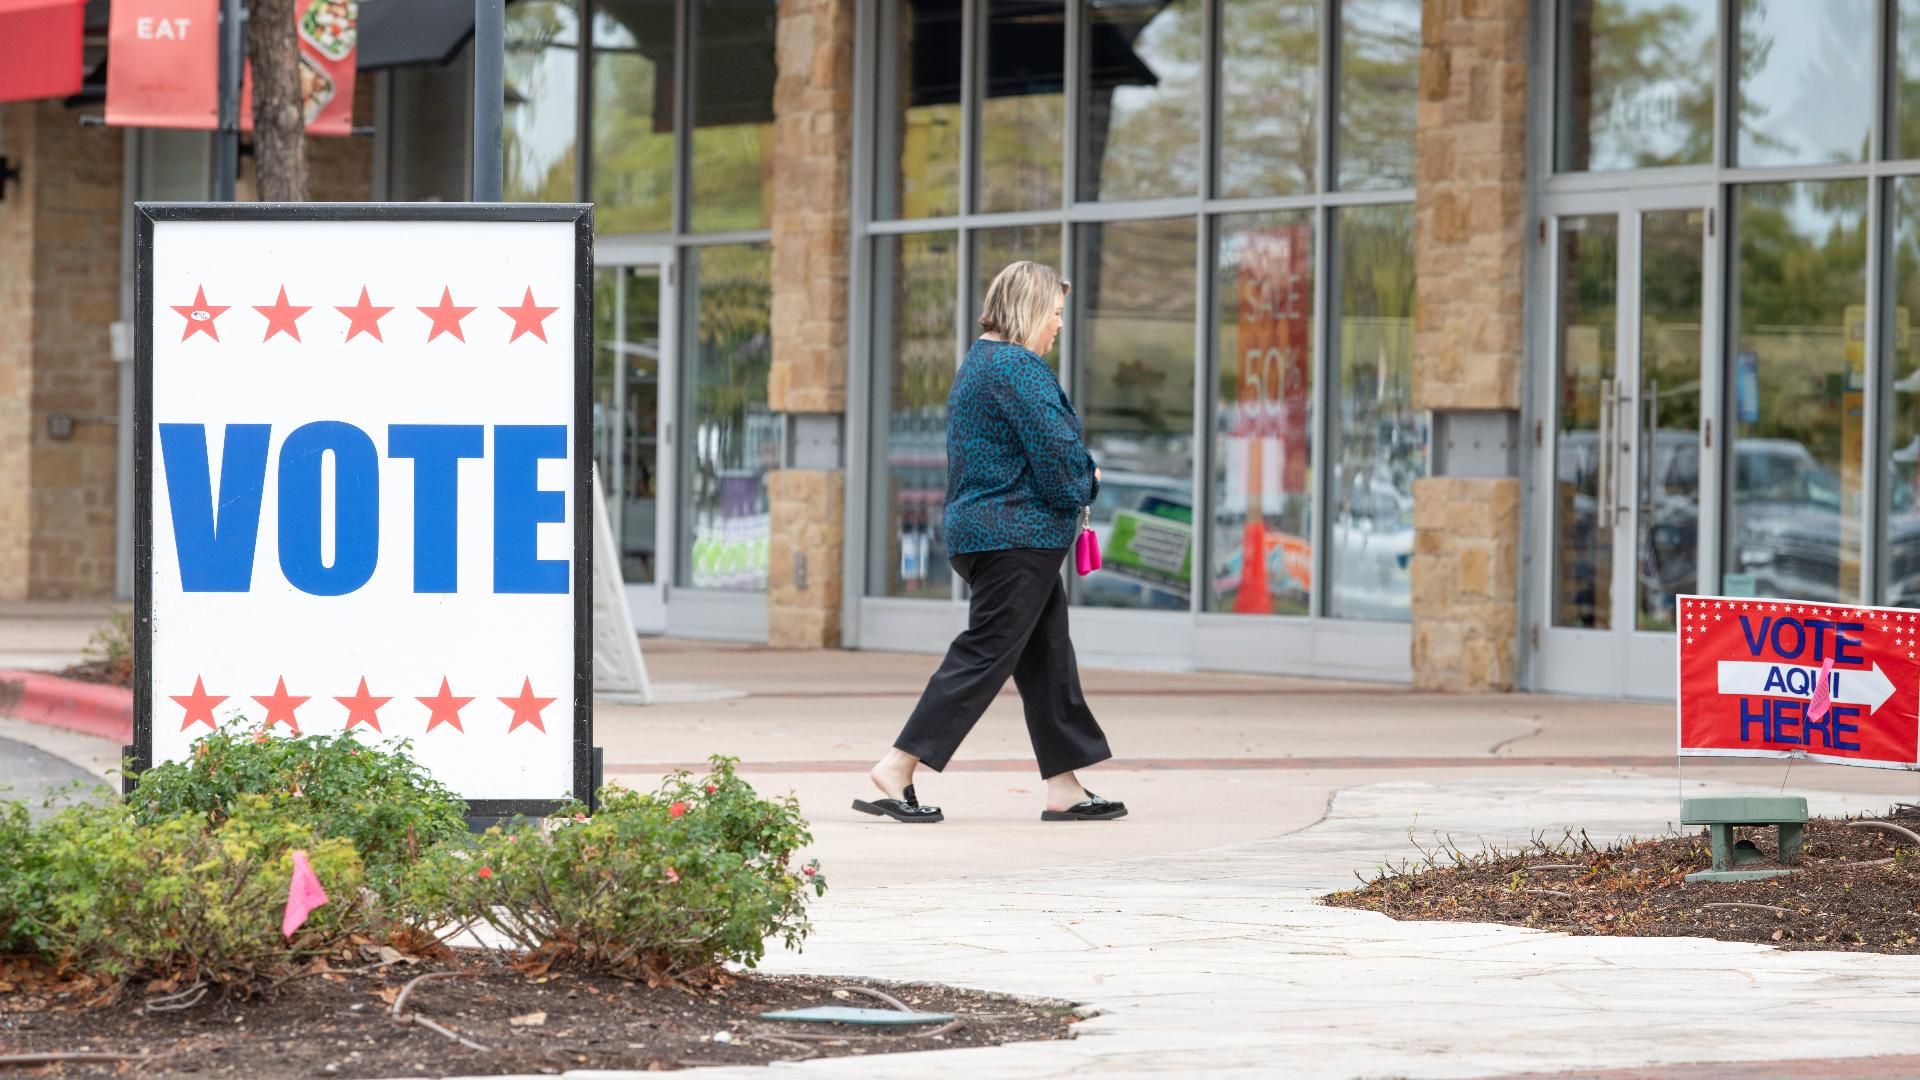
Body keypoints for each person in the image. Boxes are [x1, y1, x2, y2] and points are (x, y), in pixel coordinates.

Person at [853, 260, 1125, 824]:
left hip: (991, 533)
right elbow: (1057, 458)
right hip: (1015, 536)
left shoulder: (981, 362)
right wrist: (1089, 479)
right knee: (984, 652)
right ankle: (898, 765)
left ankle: (1065, 786)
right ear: (1028, 311)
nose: (1057, 326)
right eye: (1054, 314)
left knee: (1047, 654)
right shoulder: (1018, 368)